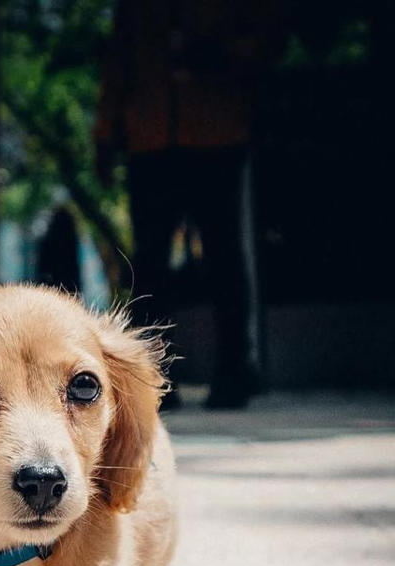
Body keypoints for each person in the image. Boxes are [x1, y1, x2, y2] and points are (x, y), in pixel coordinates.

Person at [95, 0, 287, 408]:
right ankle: (150, 376)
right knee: (149, 264)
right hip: (150, 137)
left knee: (224, 257)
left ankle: (236, 369)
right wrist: (105, 131)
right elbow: (119, 59)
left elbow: (269, 38)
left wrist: (224, 55)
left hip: (217, 132)